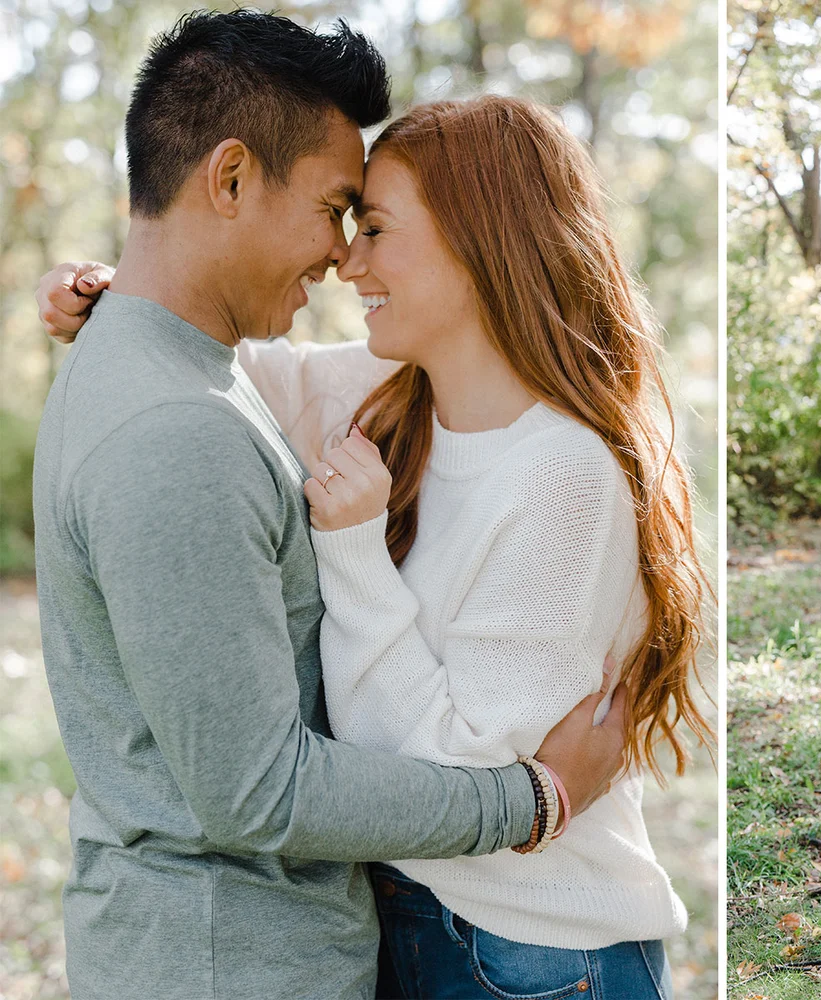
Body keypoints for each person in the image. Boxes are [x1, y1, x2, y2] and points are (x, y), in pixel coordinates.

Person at [40, 92, 710, 1000]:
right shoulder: (399, 393)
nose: (348, 261)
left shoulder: (562, 474)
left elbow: (453, 768)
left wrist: (352, 550)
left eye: (378, 228)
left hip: (537, 952)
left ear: (480, 242)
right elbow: (225, 379)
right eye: (345, 223)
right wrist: (119, 301)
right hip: (415, 917)